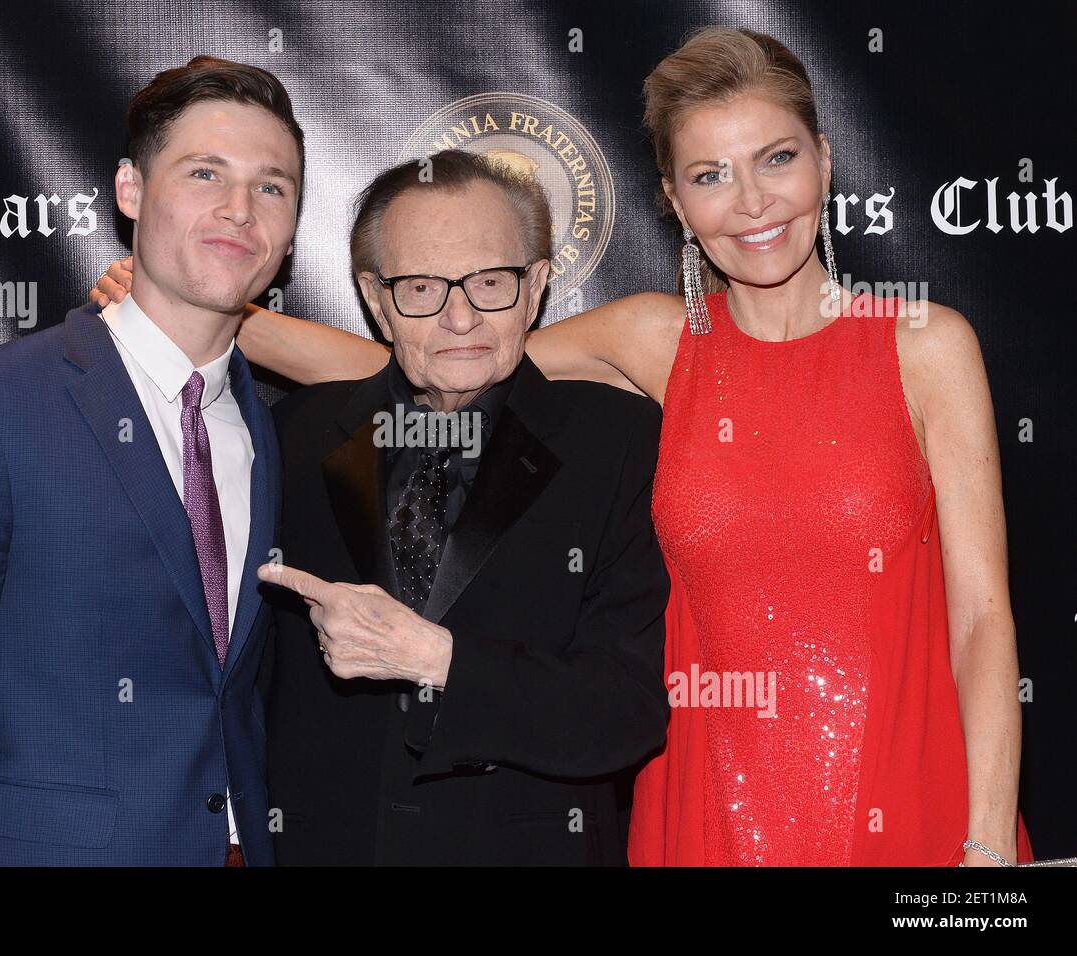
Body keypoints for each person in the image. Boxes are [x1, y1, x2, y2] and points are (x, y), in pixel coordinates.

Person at [94, 28, 1032, 866]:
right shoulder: (659, 343)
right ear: (672, 199)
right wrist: (205, 311)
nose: (750, 203)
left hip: (903, 792)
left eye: (776, 159)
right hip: (706, 803)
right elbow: (449, 354)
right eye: (709, 175)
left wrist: (986, 844)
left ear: (826, 161)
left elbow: (984, 617)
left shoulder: (922, 344)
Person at [0, 56, 300, 866]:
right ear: (130, 190)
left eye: (273, 186)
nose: (240, 208)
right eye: (205, 173)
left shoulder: (259, 430)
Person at [261, 150, 669, 864]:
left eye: (490, 282)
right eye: (421, 286)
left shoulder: (620, 443)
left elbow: (626, 710)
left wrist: (438, 659)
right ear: (375, 297)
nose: (459, 318)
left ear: (537, 284)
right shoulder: (291, 434)